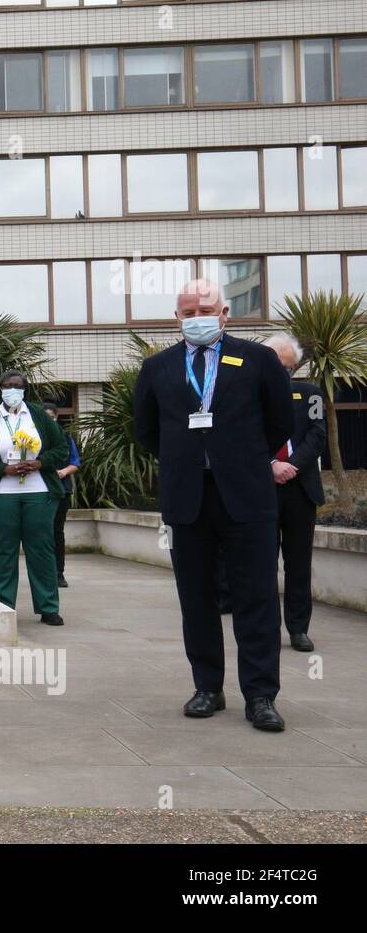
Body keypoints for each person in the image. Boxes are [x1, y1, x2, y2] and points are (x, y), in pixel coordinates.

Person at [133, 280, 292, 732]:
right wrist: (184, 458)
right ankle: (207, 687)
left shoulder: (258, 360)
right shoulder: (158, 367)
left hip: (247, 497)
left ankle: (261, 695)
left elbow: (280, 420)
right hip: (189, 499)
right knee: (196, 598)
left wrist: (239, 456)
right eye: (188, 310)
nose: (197, 316)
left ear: (225, 313)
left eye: (206, 308)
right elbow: (146, 429)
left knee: (257, 597)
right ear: (177, 317)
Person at [0, 371, 69, 626]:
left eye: (18, 386)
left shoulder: (38, 417)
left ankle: (48, 607)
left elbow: (61, 448)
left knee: (41, 548)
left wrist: (40, 462)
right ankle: (2, 605)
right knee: (3, 549)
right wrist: (4, 469)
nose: (13, 390)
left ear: (26, 390)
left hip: (39, 492)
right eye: (8, 386)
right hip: (1, 494)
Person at [263, 333, 326, 653]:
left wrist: (292, 466)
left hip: (301, 490)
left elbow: (317, 437)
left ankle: (299, 629)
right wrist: (272, 463)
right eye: (276, 364)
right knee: (263, 564)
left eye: (287, 367)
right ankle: (266, 629)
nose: (282, 372)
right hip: (264, 489)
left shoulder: (310, 394)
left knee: (299, 563)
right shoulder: (251, 396)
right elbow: (243, 438)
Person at [42, 401, 81, 588]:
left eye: (51, 417)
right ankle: (44, 573)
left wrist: (64, 471)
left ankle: (59, 573)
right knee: (42, 533)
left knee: (57, 532)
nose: (48, 421)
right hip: (40, 491)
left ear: (56, 417)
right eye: (44, 417)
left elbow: (75, 462)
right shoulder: (32, 438)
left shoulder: (66, 438)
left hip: (61, 490)